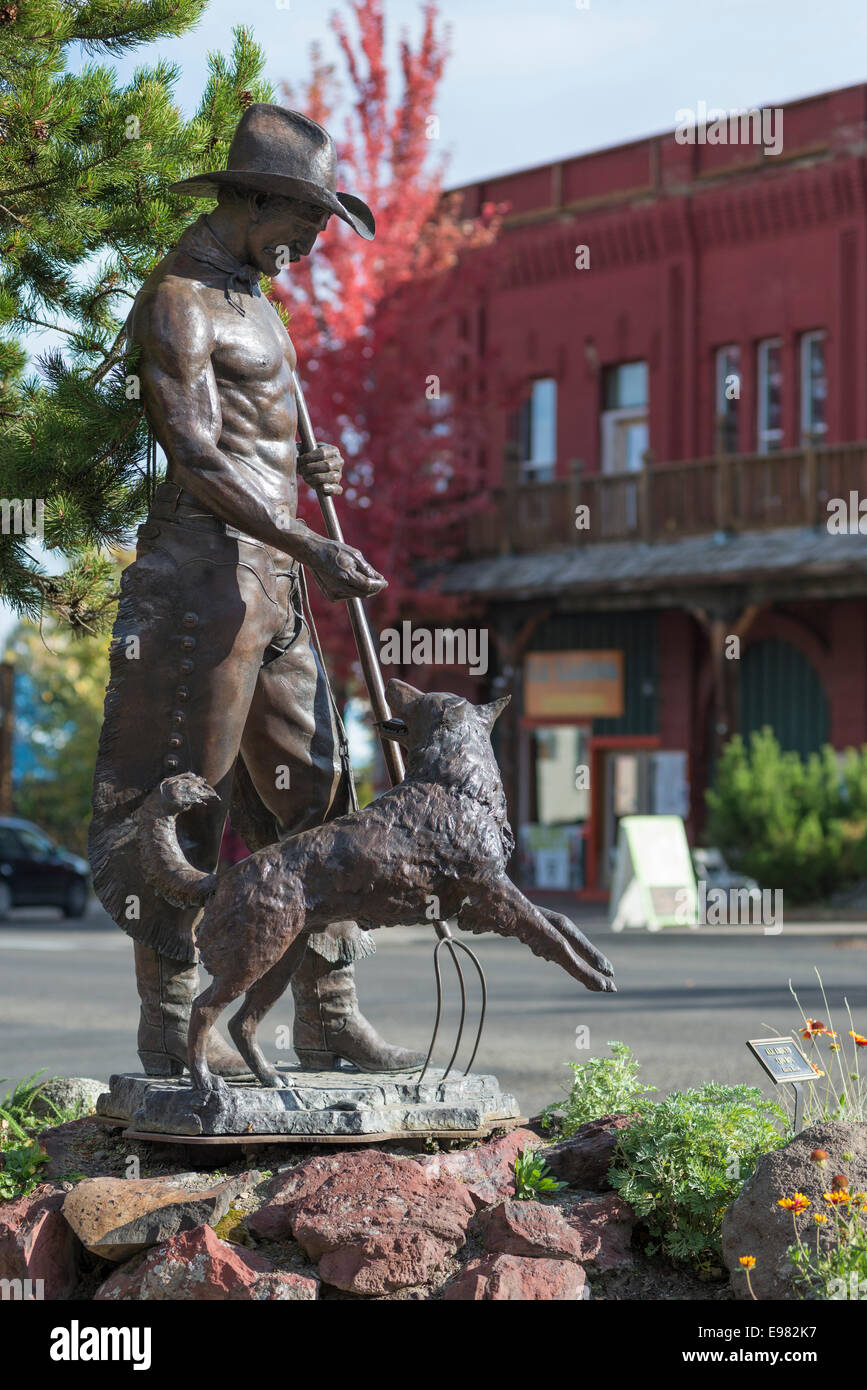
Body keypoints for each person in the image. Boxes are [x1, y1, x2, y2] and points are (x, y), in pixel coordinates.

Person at [89, 104, 424, 1078]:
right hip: (202, 580)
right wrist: (305, 535)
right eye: (305, 225)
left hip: (275, 578)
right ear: (258, 198)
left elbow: (253, 430)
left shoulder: (253, 294)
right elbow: (195, 452)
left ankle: (327, 1009)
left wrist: (300, 466)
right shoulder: (179, 300)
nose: (311, 247)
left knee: (315, 795)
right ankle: (167, 1023)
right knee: (183, 803)